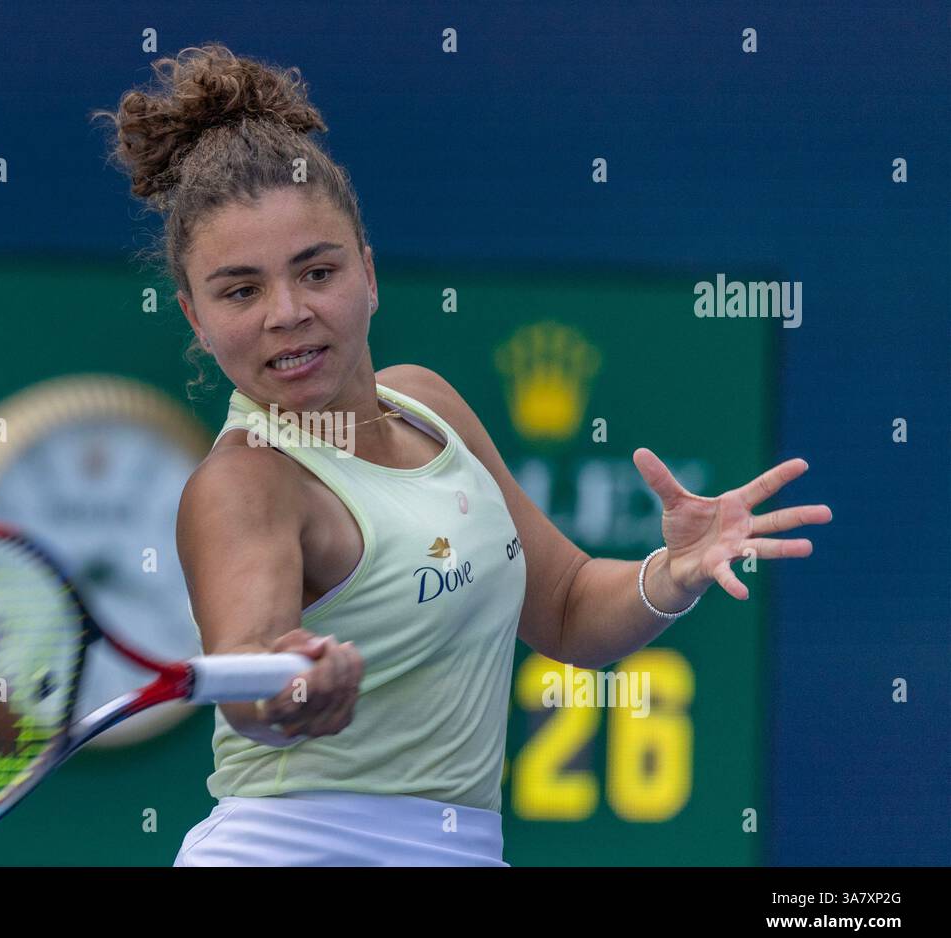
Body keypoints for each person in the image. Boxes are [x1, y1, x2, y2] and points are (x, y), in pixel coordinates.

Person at [91, 43, 832, 866]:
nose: (287, 313)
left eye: (317, 270)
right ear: (195, 318)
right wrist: (291, 683)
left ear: (368, 275)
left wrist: (673, 574)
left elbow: (568, 608)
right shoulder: (245, 482)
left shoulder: (429, 405)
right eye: (241, 291)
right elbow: (252, 667)